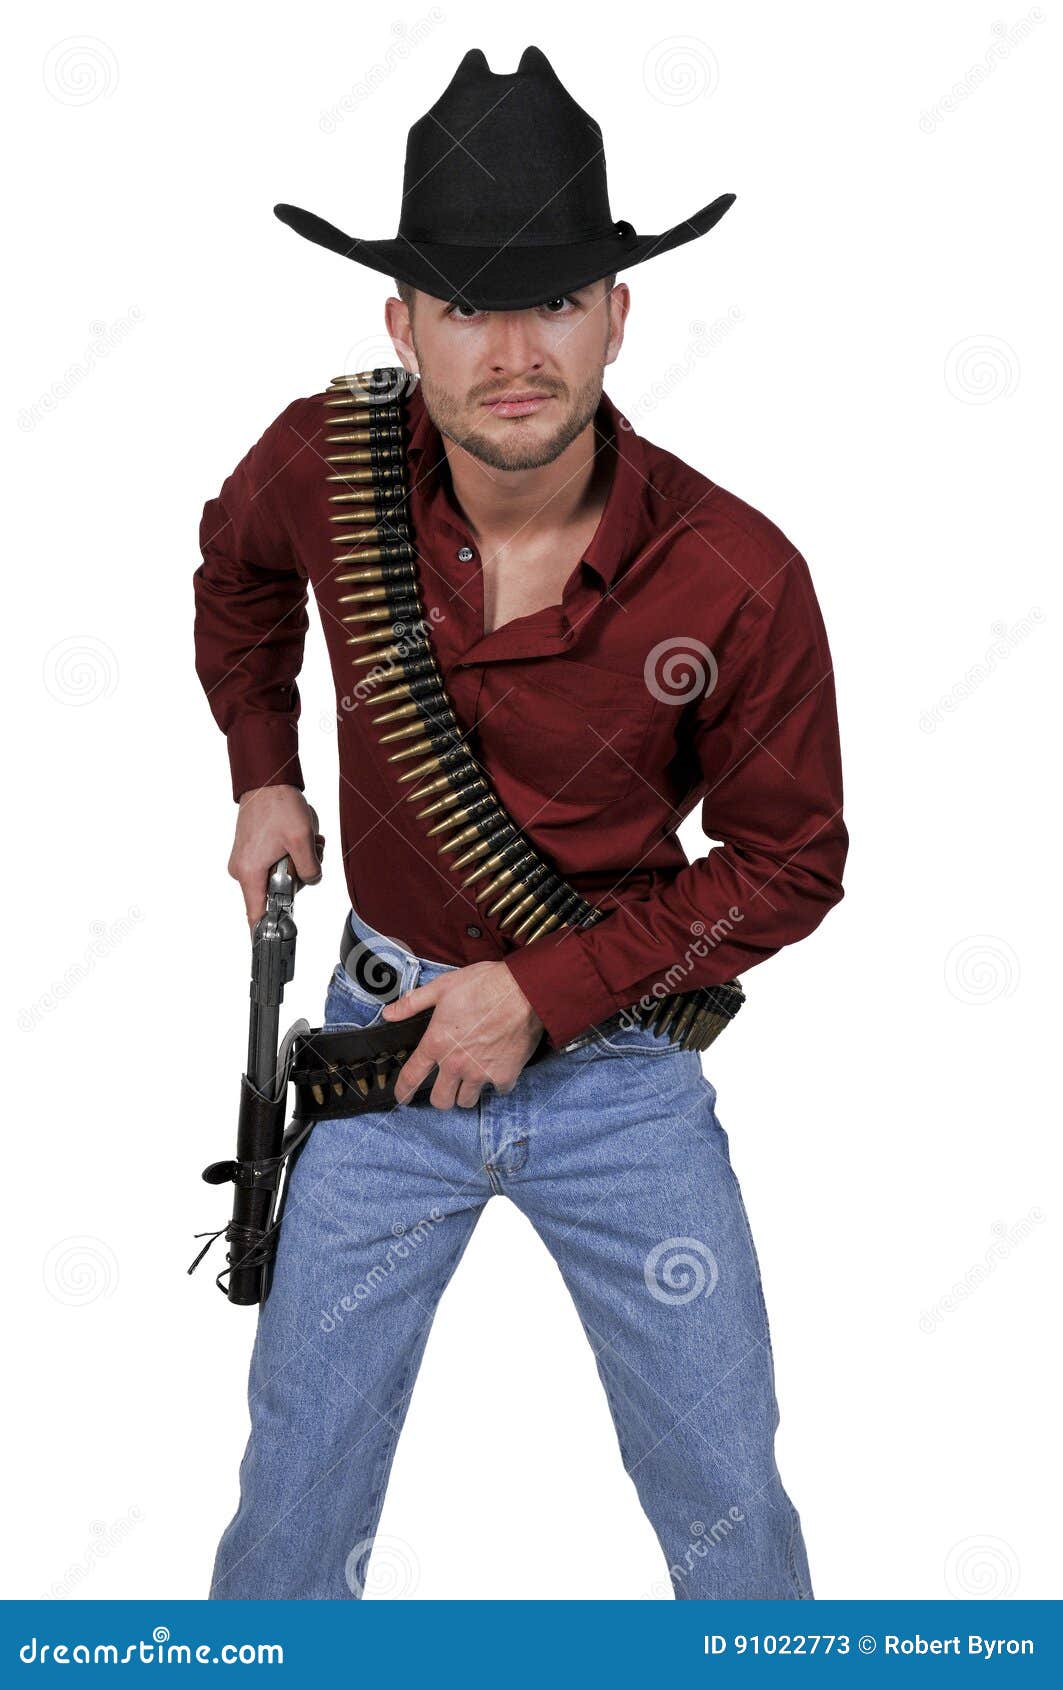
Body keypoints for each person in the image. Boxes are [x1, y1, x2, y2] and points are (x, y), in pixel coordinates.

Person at [193, 45, 848, 1600]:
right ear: (400, 325)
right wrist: (263, 763)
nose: (511, 352)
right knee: (292, 1508)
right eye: (465, 306)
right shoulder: (325, 462)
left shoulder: (736, 572)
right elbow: (237, 570)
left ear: (616, 313)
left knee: (727, 1502)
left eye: (551, 300)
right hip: (378, 1042)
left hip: (619, 1066)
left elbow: (790, 862)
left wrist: (542, 994)